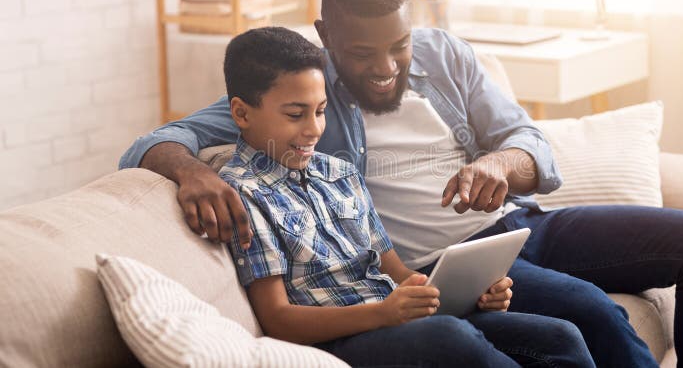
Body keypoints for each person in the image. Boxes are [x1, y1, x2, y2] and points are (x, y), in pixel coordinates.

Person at [120, 0, 683, 368]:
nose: (387, 67)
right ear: (325, 36)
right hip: (435, 261)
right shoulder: (300, 93)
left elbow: (531, 142)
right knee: (588, 311)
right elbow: (159, 139)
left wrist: (500, 165)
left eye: (399, 45)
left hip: (520, 226)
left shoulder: (446, 56)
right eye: (364, 53)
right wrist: (192, 171)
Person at [217, 26, 594, 367]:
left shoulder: (340, 173)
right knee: (451, 337)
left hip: (397, 321)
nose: (313, 129)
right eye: (296, 114)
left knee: (561, 336)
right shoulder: (242, 192)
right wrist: (384, 314)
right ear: (242, 113)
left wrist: (466, 293)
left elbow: (396, 272)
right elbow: (277, 319)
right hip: (339, 340)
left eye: (320, 111)